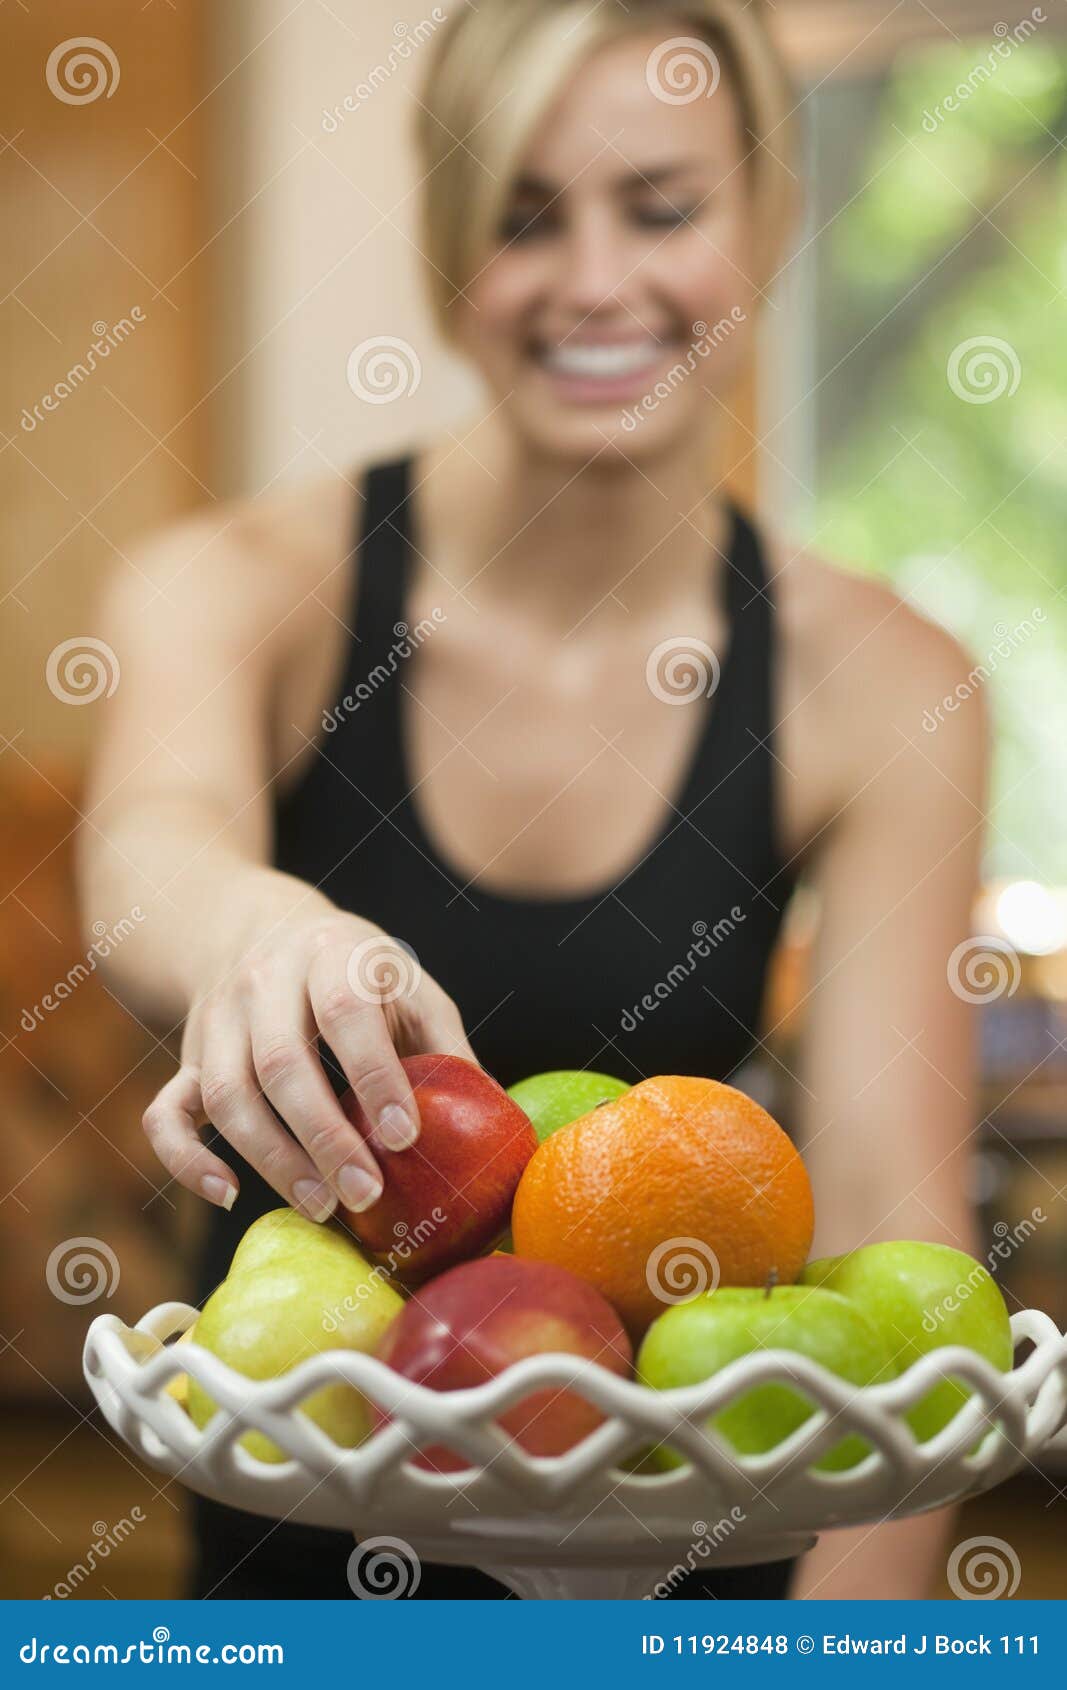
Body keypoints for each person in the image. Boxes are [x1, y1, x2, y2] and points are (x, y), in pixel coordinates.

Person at [81, 0, 985, 1600]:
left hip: (692, 1557)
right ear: (447, 252)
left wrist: (827, 1662)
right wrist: (258, 929)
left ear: (767, 219)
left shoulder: (890, 683)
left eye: (662, 206)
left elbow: (894, 1224)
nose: (594, 282)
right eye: (522, 216)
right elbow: (156, 849)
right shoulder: (236, 590)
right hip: (309, 1567)